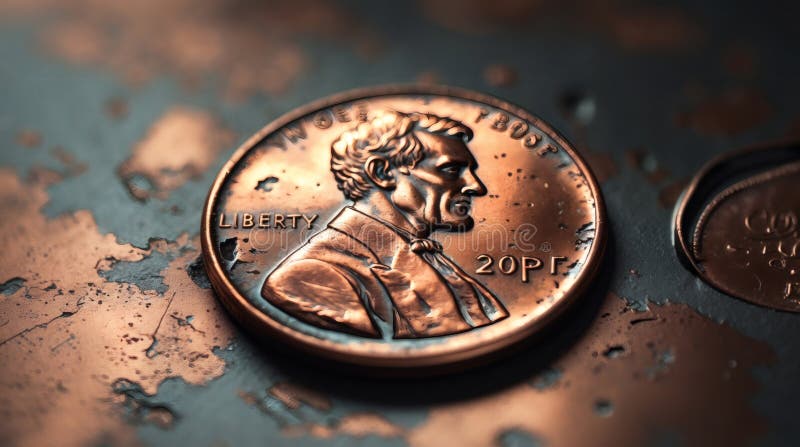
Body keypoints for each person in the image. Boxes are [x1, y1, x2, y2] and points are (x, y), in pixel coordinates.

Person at [261, 110, 507, 339]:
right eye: (451, 170)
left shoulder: (427, 255)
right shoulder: (304, 277)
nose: (476, 186)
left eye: (470, 171)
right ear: (383, 173)